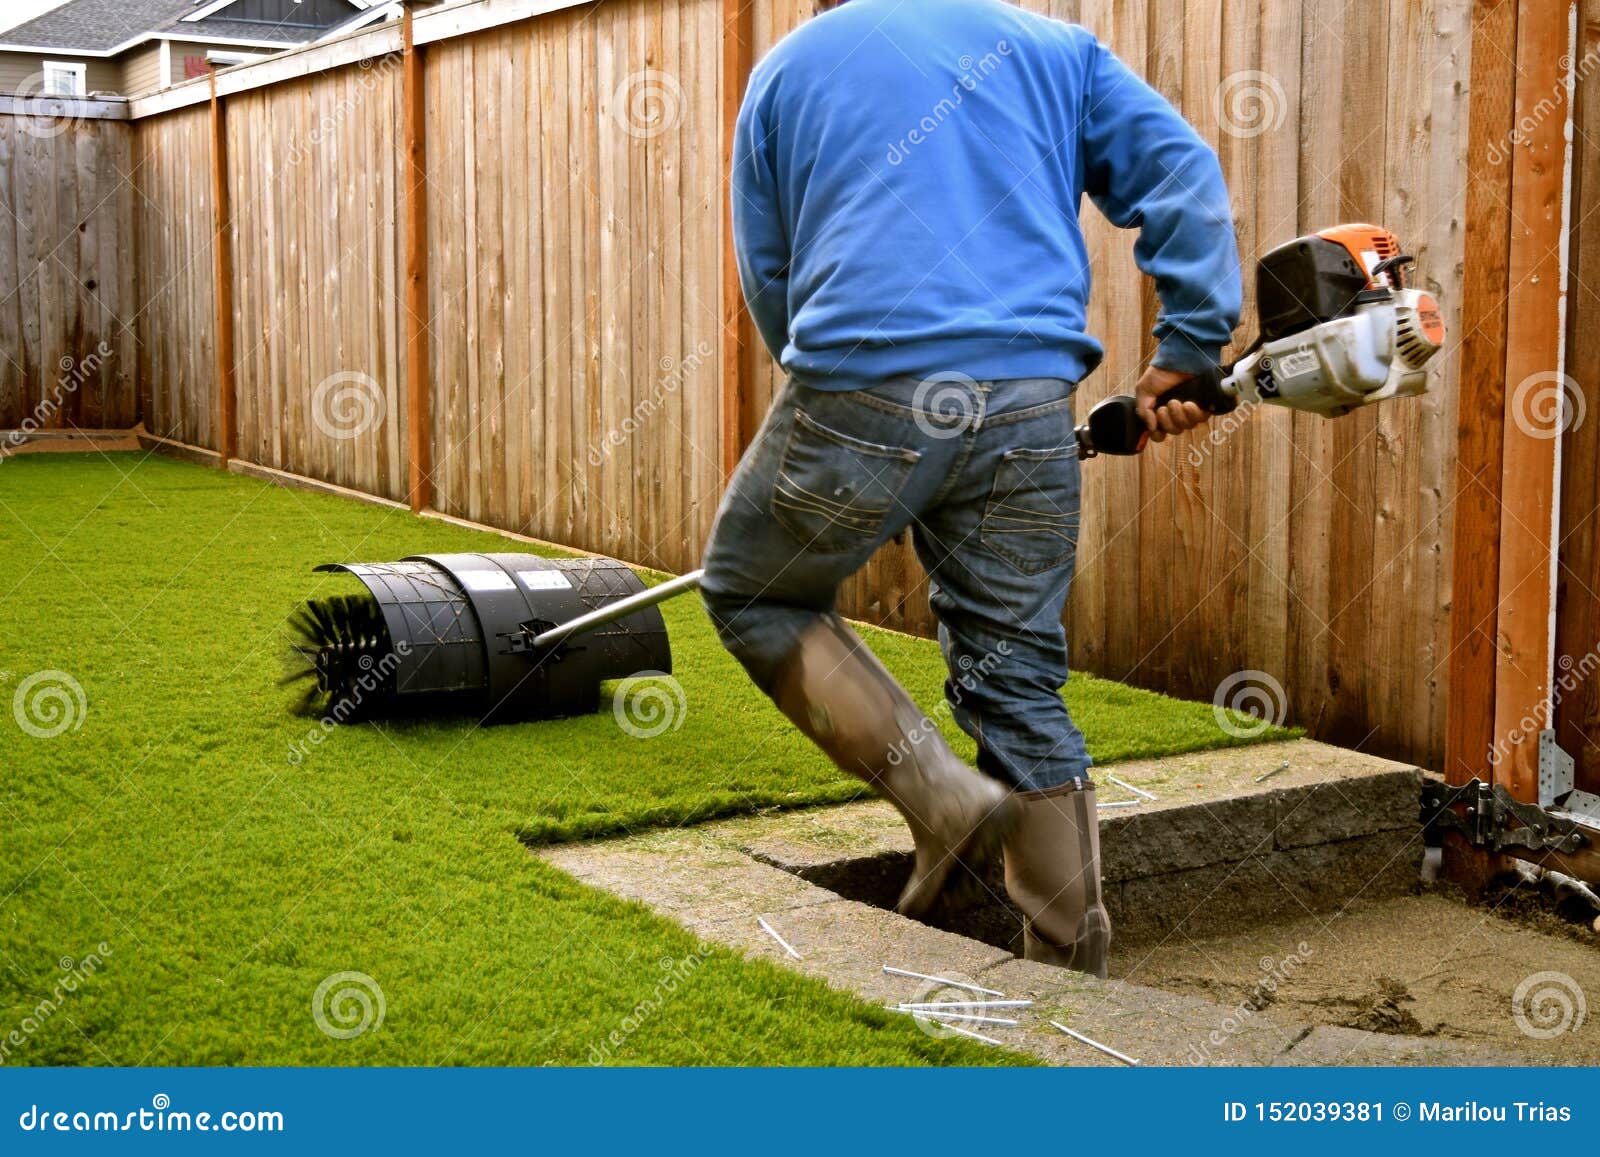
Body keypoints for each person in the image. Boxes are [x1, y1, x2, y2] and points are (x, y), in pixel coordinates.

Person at [699, 0, 1240, 978]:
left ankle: (939, 797)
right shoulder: (1053, 50)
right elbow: (1182, 174)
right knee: (1016, 680)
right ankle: (1067, 971)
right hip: (1030, 395)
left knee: (755, 590)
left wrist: (844, 408)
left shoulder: (789, 66)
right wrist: (1190, 347)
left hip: (866, 376)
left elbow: (769, 270)